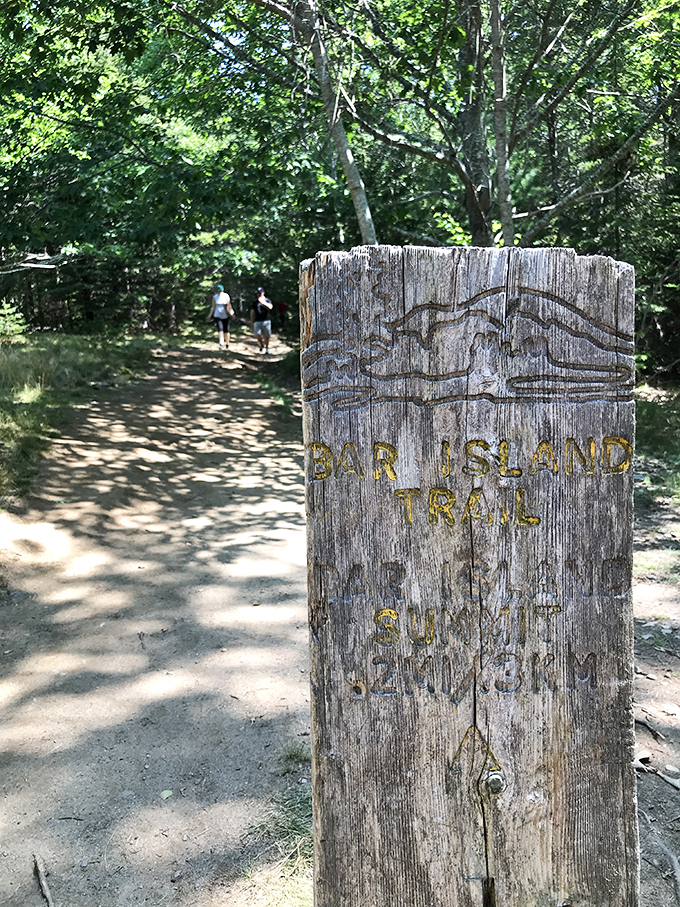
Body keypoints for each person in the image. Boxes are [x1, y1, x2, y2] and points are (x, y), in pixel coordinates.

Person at [207, 284, 234, 350]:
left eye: (221, 291)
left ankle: (227, 343)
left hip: (225, 315)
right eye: (219, 291)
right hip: (217, 315)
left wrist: (231, 313)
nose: (220, 293)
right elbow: (213, 307)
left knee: (226, 331)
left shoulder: (226, 296)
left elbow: (229, 305)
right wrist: (209, 315)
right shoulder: (215, 297)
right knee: (220, 330)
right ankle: (221, 343)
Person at [251, 287, 273, 354]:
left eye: (260, 293)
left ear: (263, 293)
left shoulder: (267, 300)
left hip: (266, 320)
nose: (259, 294)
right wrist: (252, 320)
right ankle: (261, 344)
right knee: (257, 335)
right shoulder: (255, 302)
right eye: (258, 293)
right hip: (257, 321)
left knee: (266, 336)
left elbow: (270, 307)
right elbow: (252, 311)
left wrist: (263, 302)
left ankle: (267, 349)